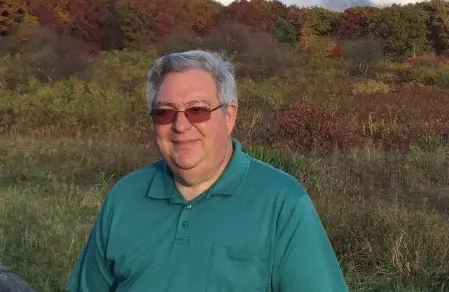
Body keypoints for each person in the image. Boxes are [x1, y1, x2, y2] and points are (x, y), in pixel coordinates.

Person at [67, 50, 348, 292]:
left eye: (197, 110)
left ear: (229, 117)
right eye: (164, 112)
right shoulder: (125, 196)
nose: (180, 126)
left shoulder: (283, 202)